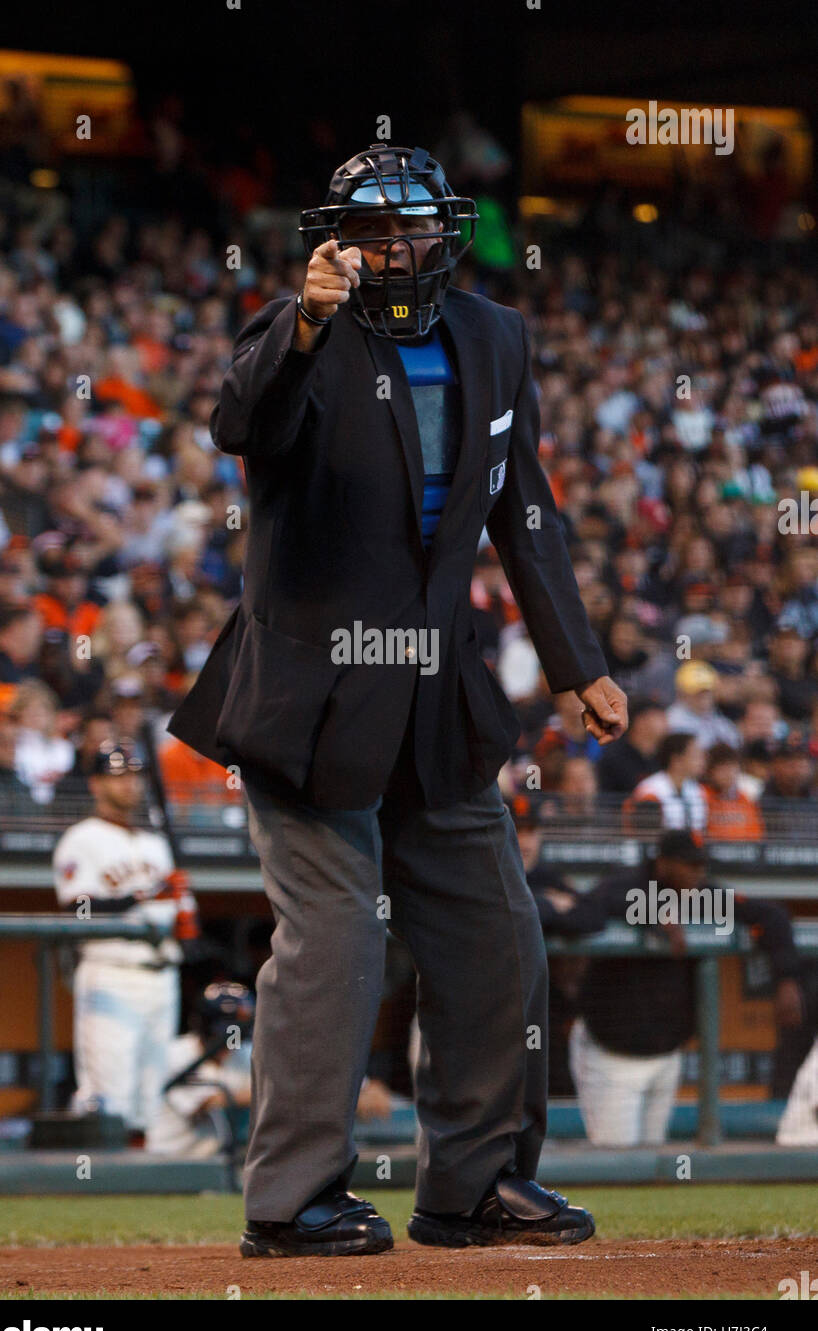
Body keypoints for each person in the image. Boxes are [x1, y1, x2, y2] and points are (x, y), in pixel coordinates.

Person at [168, 142, 628, 1257]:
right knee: (334, 945)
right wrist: (305, 325)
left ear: (443, 232)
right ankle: (291, 1202)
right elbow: (240, 424)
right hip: (308, 698)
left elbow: (523, 510)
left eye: (410, 228)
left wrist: (574, 660)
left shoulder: (495, 335)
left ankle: (471, 1186)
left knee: (498, 939)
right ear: (336, 240)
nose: (392, 248)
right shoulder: (298, 326)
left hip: (441, 698)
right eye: (369, 232)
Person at [560, 831, 801, 1146]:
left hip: (665, 1056)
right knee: (617, 1166)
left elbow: (771, 916)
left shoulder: (701, 895)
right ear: (663, 863)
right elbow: (586, 910)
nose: (696, 873)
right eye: (688, 865)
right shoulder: (627, 885)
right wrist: (649, 914)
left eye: (701, 866)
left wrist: (786, 978)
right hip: (611, 1057)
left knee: (652, 1164)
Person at [51, 740, 184, 1139]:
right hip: (111, 972)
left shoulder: (156, 843)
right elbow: (77, 910)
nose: (129, 784)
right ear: (95, 784)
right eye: (118, 775)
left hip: (162, 974)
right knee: (109, 1094)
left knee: (151, 1099)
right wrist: (140, 896)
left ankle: (139, 1192)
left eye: (135, 775)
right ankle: (93, 1181)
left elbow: (177, 910)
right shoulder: (81, 838)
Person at [147, 982, 255, 1158]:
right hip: (170, 1159)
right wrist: (267, 1093)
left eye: (237, 1036)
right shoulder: (173, 1055)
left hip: (217, 1161)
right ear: (203, 1028)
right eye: (221, 1035)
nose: (230, 1044)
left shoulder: (244, 1053)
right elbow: (208, 1103)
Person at [625, 731, 707, 831]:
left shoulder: (698, 790)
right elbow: (644, 835)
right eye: (695, 755)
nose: (702, 761)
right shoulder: (649, 790)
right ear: (677, 760)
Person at [596, 696, 667, 796]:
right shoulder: (614, 758)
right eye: (659, 717)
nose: (666, 723)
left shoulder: (663, 758)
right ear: (640, 722)